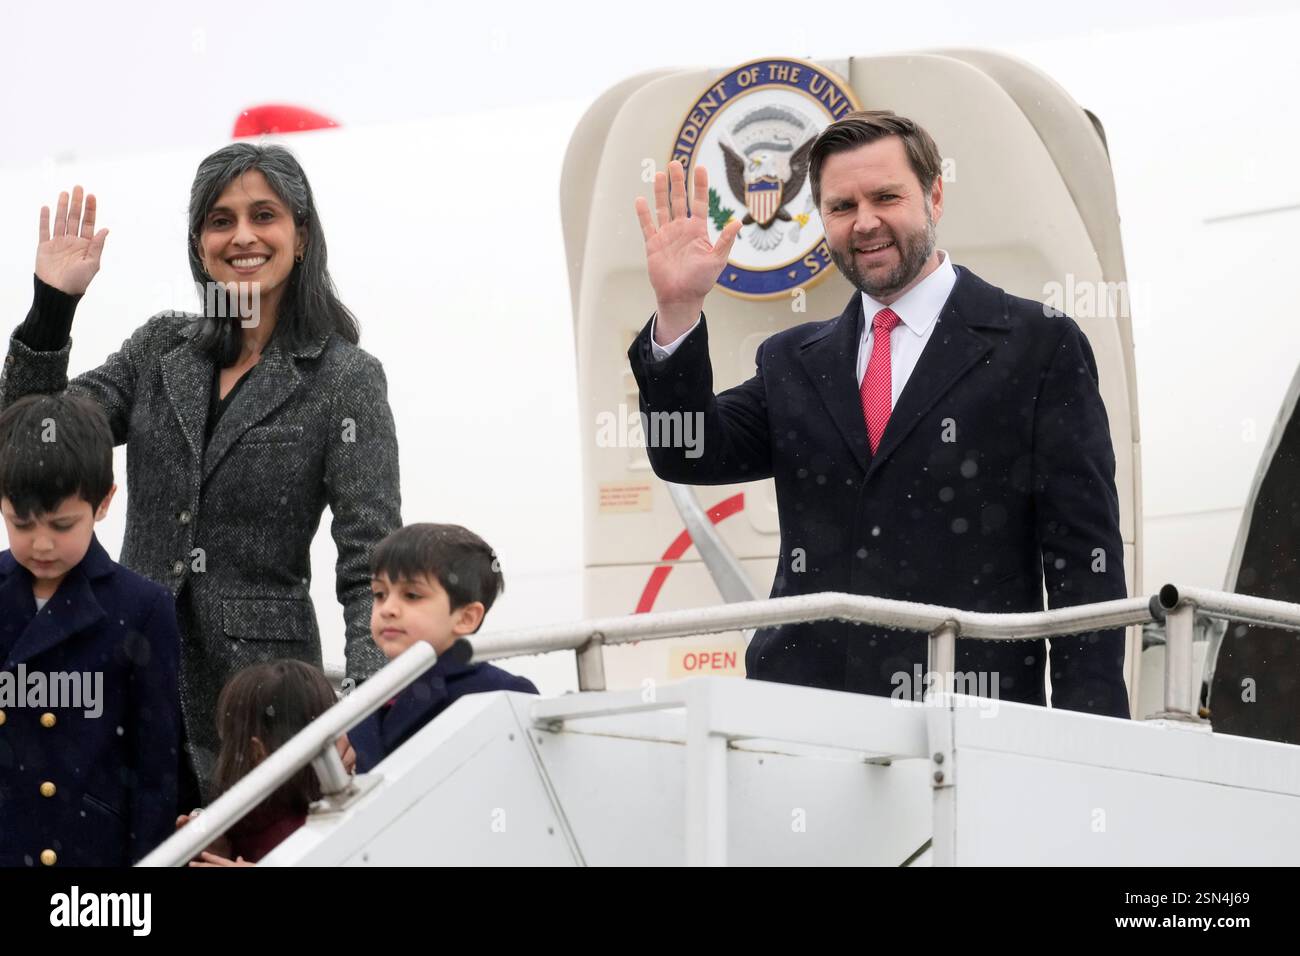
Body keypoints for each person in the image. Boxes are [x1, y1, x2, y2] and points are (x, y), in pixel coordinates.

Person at [628, 109, 1130, 717]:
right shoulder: (793, 360)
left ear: (935, 195)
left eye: (886, 197)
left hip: (964, 712)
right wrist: (678, 310)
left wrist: (1092, 729)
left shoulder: (1036, 344)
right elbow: (687, 451)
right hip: (802, 713)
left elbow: (1083, 560)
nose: (865, 223)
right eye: (841, 207)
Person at [0, 143, 403, 803]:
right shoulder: (161, 348)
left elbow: (370, 563)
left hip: (267, 712)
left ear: (300, 236)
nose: (242, 235)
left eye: (263, 215)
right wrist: (52, 309)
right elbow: (32, 445)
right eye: (220, 220)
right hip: (129, 678)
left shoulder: (345, 379)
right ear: (199, 244)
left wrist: (365, 704)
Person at [0, 393, 180, 866]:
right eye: (21, 523)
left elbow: (155, 769)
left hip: (83, 858)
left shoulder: (143, 607)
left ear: (103, 503)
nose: (41, 544)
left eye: (62, 525)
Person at [351, 523, 537, 773]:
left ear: (466, 618)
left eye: (412, 595)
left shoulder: (500, 695)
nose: (388, 609)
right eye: (380, 594)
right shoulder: (362, 703)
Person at [180, 659, 339, 866]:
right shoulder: (335, 823)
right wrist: (219, 851)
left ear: (257, 753)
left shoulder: (285, 835)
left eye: (227, 741)